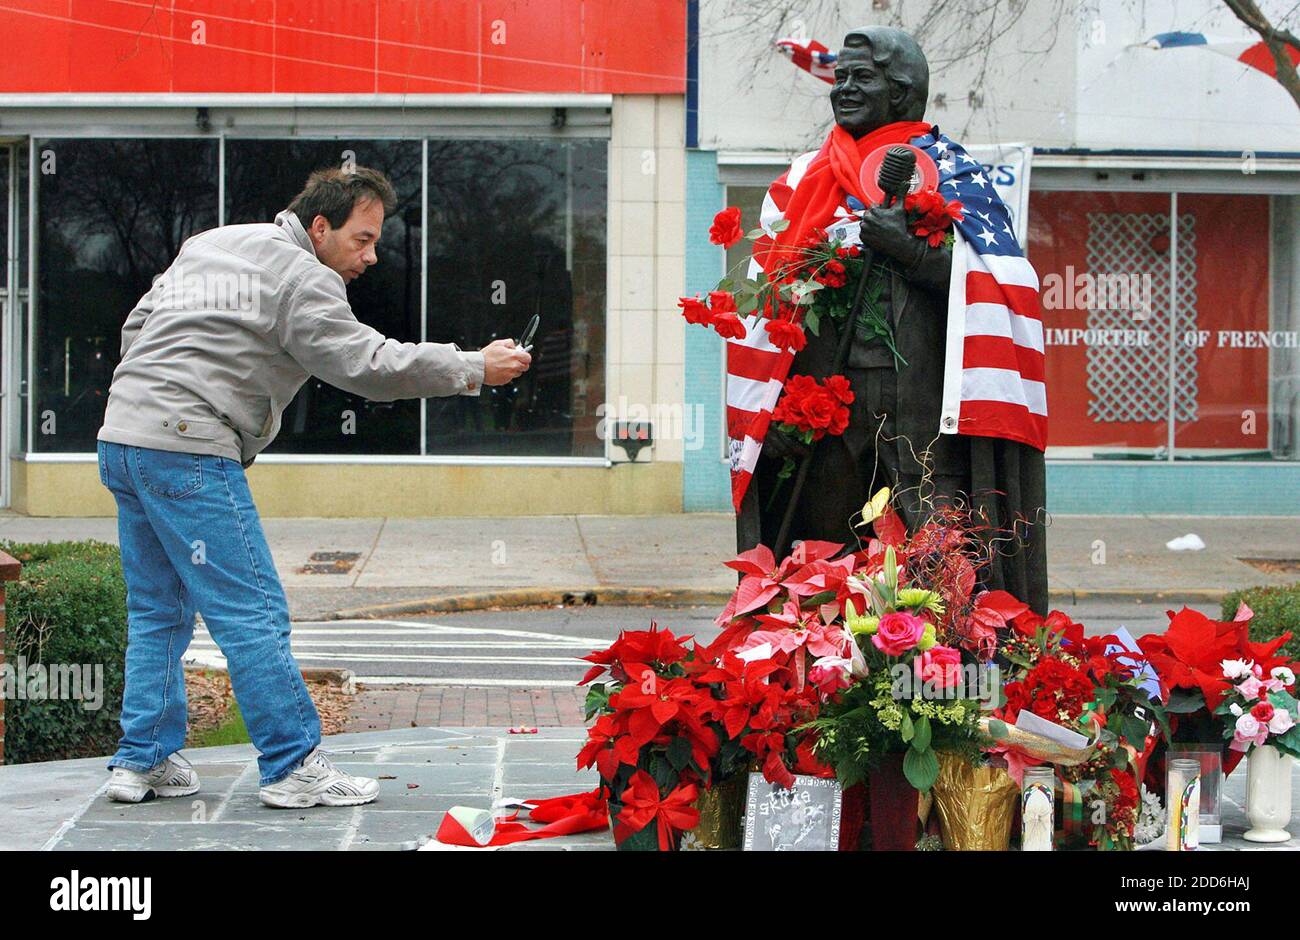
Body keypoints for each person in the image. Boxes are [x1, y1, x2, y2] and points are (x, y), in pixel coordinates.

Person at [96, 166, 532, 808]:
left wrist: (151, 394)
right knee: (253, 613)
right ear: (319, 226)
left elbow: (138, 328)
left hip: (123, 439)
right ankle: (292, 764)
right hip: (189, 447)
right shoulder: (305, 278)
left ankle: (142, 760)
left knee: (157, 610)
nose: (371, 256)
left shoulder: (211, 244)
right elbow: (368, 364)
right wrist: (471, 367)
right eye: (362, 239)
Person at [734, 26, 1048, 613]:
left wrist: (911, 250)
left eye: (862, 77)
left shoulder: (954, 172)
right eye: (840, 77)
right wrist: (765, 405)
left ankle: (940, 679)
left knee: (939, 559)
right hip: (827, 409)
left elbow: (1003, 285)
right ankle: (820, 680)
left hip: (924, 413)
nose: (843, 88)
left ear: (902, 93)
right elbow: (767, 299)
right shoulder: (805, 180)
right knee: (824, 555)